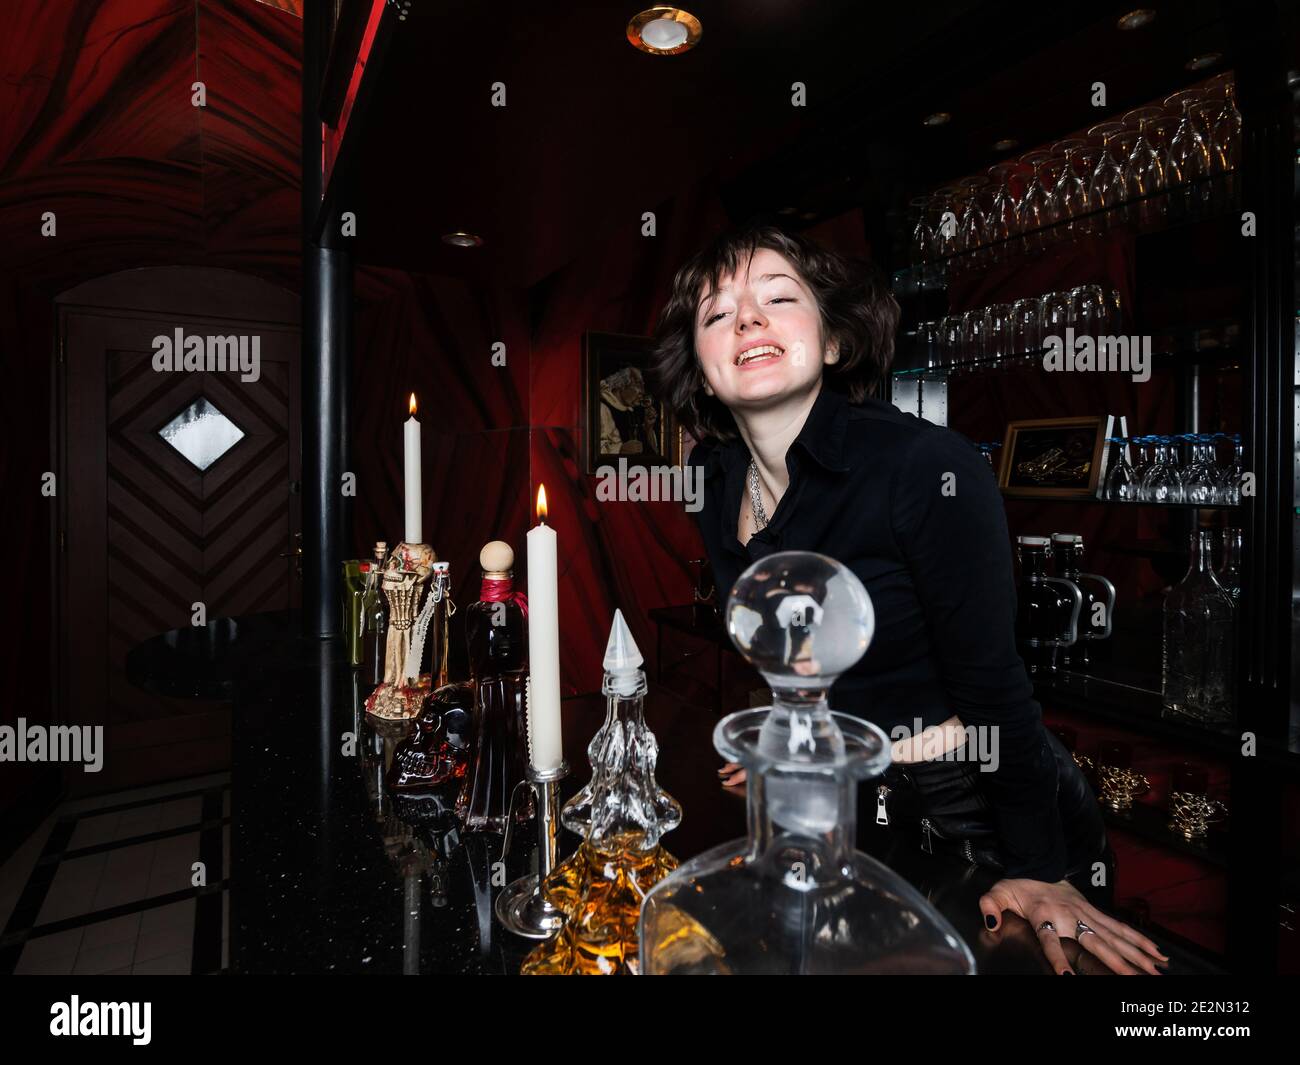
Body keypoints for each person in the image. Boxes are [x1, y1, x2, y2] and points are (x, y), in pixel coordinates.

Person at [647, 223, 1169, 977]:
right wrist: (796, 744)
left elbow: (996, 688)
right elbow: (804, 649)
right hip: (842, 811)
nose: (748, 319)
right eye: (718, 313)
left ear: (832, 343)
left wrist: (1040, 867)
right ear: (700, 365)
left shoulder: (925, 467)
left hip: (975, 813)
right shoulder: (718, 483)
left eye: (778, 298)